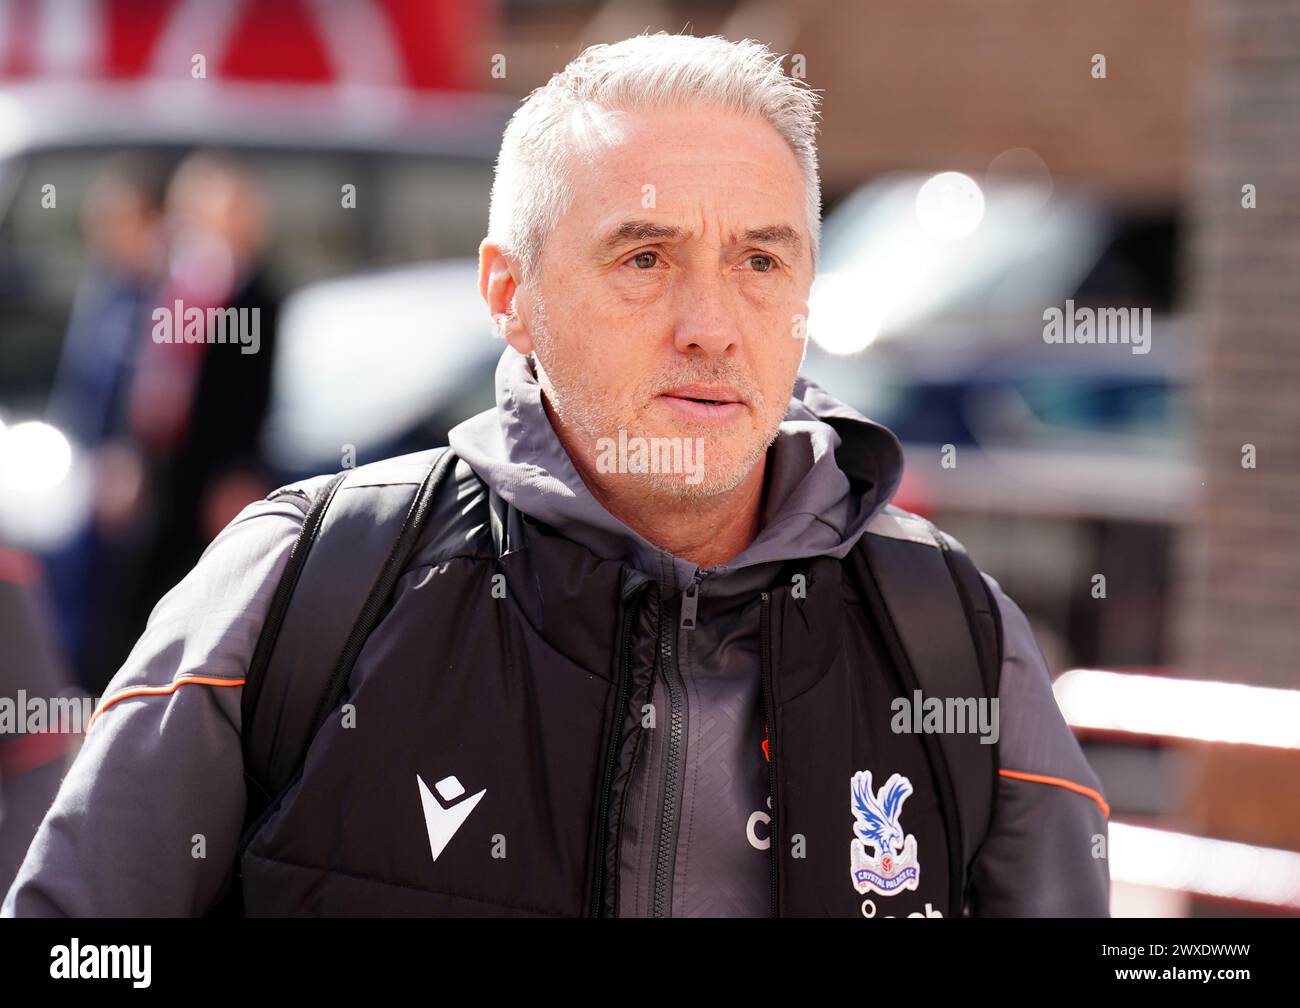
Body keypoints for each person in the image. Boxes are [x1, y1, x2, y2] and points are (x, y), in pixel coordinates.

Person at [3, 32, 1108, 918]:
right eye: (644, 257)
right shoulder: (302, 587)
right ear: (509, 293)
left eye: (760, 261)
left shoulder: (956, 634)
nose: (712, 325)